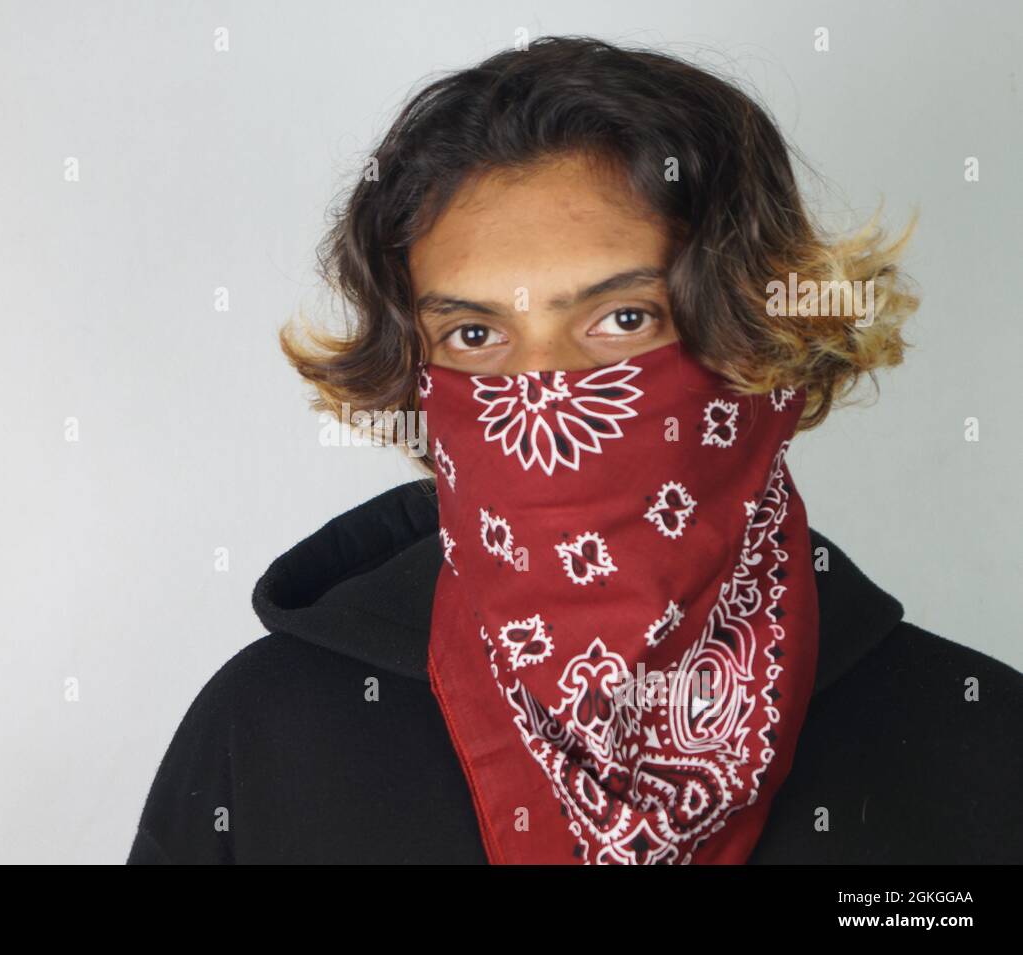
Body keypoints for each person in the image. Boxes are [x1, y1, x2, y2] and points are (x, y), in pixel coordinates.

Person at [127, 36, 1023, 864]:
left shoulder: (977, 740)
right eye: (477, 335)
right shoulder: (268, 732)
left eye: (621, 319)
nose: (545, 389)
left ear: (757, 344)